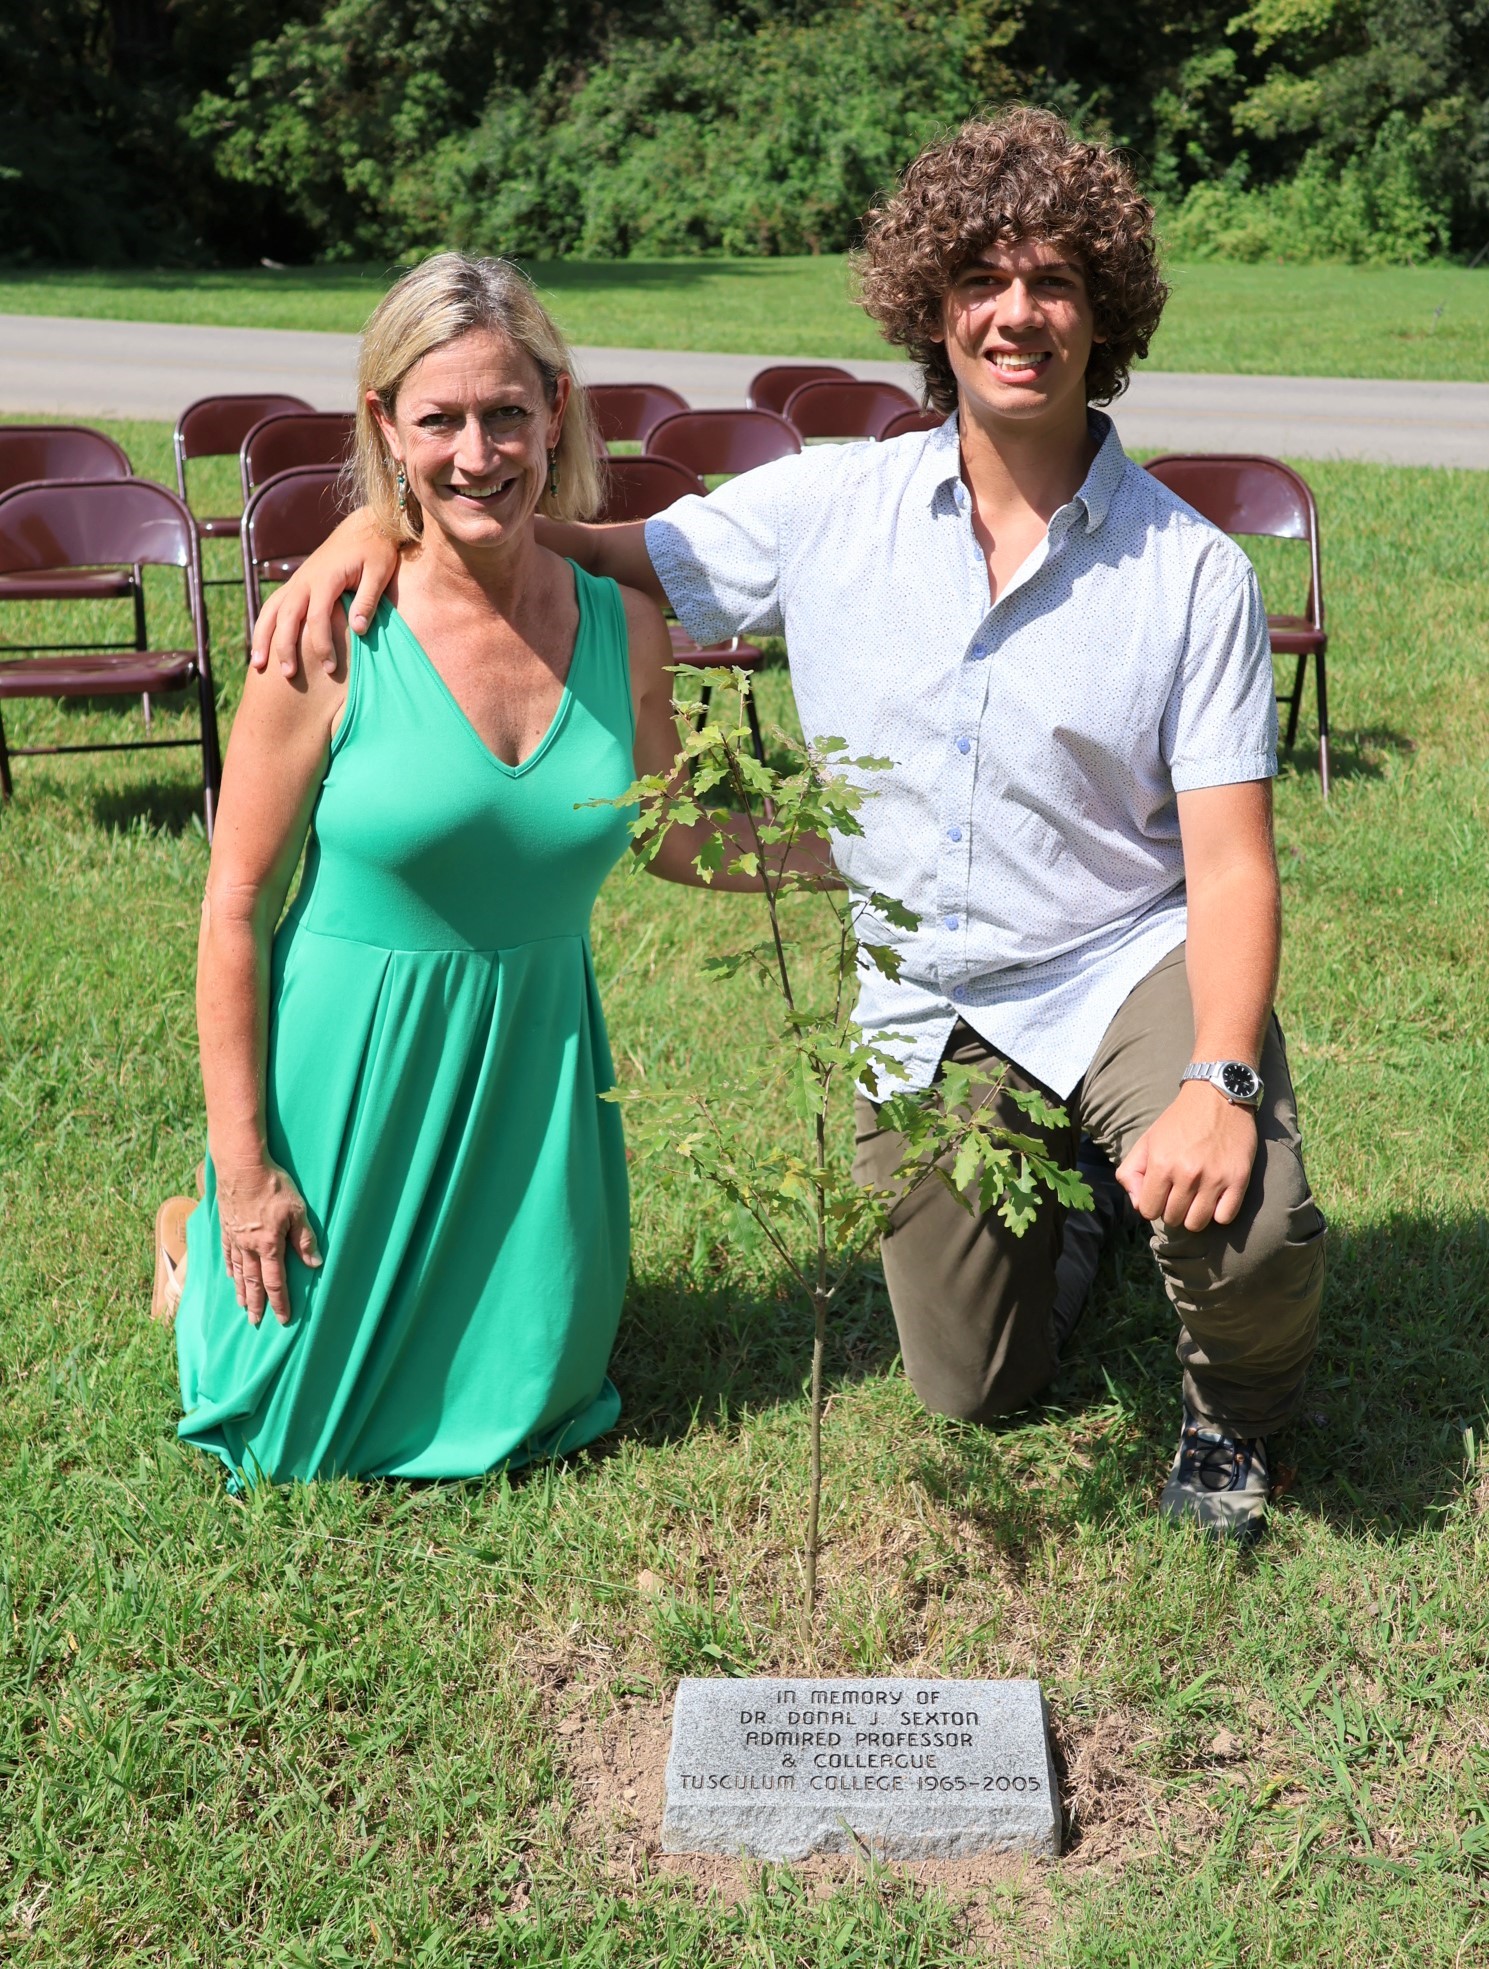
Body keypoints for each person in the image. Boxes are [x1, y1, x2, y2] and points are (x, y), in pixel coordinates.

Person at [251, 110, 1326, 1537]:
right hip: (932, 1003)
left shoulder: (1190, 575)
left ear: (1103, 310)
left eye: (1054, 281)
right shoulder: (832, 507)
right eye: (982, 281)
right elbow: (578, 540)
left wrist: (1220, 1081)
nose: (1017, 315)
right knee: (972, 1386)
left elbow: (1233, 866)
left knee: (1242, 1213)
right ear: (930, 308)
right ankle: (1083, 1211)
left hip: (1118, 958)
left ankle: (1230, 1418)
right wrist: (370, 522)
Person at [170, 252, 813, 1487]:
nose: (478, 452)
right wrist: (248, 1171)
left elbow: (670, 831)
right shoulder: (324, 637)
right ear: (384, 426)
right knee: (291, 1434)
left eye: (506, 413)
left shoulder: (621, 619)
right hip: (348, 1072)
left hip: (537, 1075)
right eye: (440, 420)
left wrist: (851, 855)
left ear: (555, 411)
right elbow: (235, 908)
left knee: (541, 1408)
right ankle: (200, 1227)